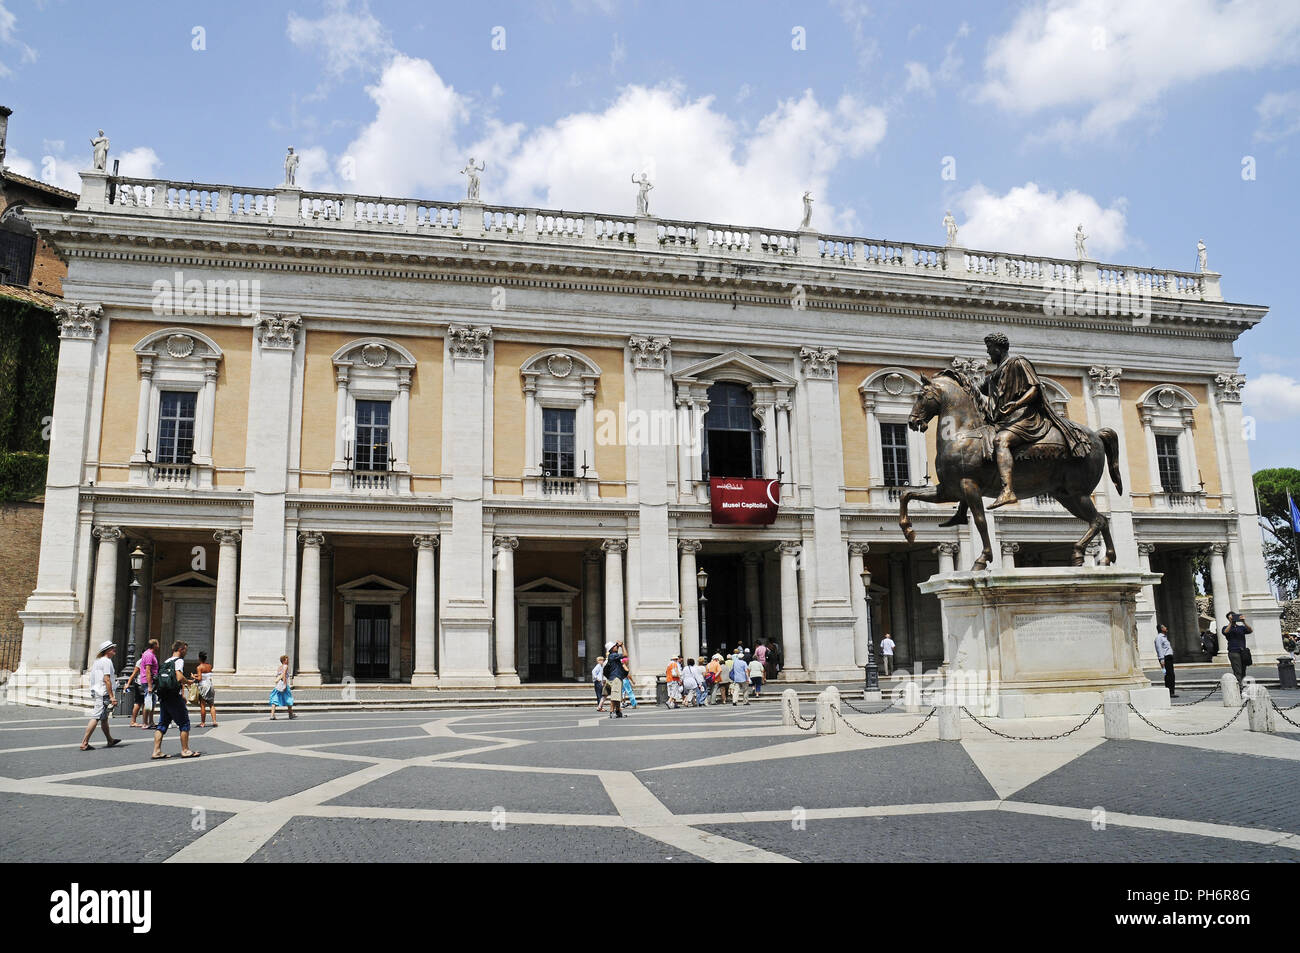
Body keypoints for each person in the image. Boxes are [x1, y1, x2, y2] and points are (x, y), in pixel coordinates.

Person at [151, 641, 199, 759]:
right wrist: (188, 682)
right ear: (181, 649)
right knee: (184, 723)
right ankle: (185, 750)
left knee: (162, 724)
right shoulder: (179, 661)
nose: (186, 652)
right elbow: (179, 677)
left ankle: (156, 751)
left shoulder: (166, 661)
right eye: (185, 650)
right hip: (173, 696)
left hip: (164, 696)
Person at [79, 641, 122, 751]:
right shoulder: (107, 662)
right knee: (96, 716)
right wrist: (112, 696)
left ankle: (110, 740)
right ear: (107, 650)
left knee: (103, 718)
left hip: (98, 691)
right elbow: (107, 679)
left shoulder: (97, 662)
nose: (114, 650)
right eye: (112, 648)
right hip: (104, 693)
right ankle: (84, 743)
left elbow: (94, 678)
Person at [126, 638, 159, 729]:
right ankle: (144, 722)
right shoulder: (148, 655)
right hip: (146, 682)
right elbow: (147, 670)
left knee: (150, 702)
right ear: (155, 645)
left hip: (149, 681)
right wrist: (149, 685)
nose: (158, 646)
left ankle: (150, 721)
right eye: (157, 644)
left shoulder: (149, 654)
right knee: (146, 703)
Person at [1221, 611, 1253, 687]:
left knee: (1243, 669)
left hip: (1243, 651)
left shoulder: (1241, 627)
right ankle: (1239, 686)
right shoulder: (1226, 627)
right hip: (1233, 651)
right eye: (1231, 617)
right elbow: (1225, 632)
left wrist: (1244, 622)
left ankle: (1243, 684)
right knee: (1237, 670)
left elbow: (1250, 630)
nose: (1233, 618)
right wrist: (1231, 623)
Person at [603, 644, 628, 718]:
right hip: (615, 678)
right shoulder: (613, 655)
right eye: (615, 646)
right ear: (611, 649)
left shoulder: (613, 656)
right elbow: (625, 655)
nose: (616, 646)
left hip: (614, 677)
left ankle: (618, 712)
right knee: (615, 697)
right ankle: (611, 712)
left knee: (617, 697)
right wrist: (622, 645)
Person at [195, 651, 217, 727]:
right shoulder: (209, 666)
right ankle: (214, 721)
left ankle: (203, 723)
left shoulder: (199, 667)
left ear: (199, 658)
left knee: (203, 705)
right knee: (211, 704)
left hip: (203, 686)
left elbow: (200, 678)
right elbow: (206, 675)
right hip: (210, 685)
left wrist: (194, 677)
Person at [269, 654, 295, 720]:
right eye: (287, 660)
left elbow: (277, 676)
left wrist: (279, 684)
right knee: (288, 698)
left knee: (274, 699)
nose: (288, 661)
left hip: (278, 685)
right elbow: (283, 675)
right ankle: (290, 714)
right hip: (283, 684)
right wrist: (285, 684)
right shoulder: (285, 666)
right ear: (284, 661)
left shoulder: (279, 667)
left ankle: (272, 715)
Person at [1154, 624, 1176, 698]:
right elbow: (1159, 649)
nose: (1166, 628)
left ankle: (1172, 691)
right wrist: (1161, 659)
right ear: (1161, 629)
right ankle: (1169, 692)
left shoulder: (1164, 637)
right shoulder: (1159, 638)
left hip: (1169, 658)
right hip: (1165, 658)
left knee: (1171, 675)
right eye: (1164, 627)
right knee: (1168, 675)